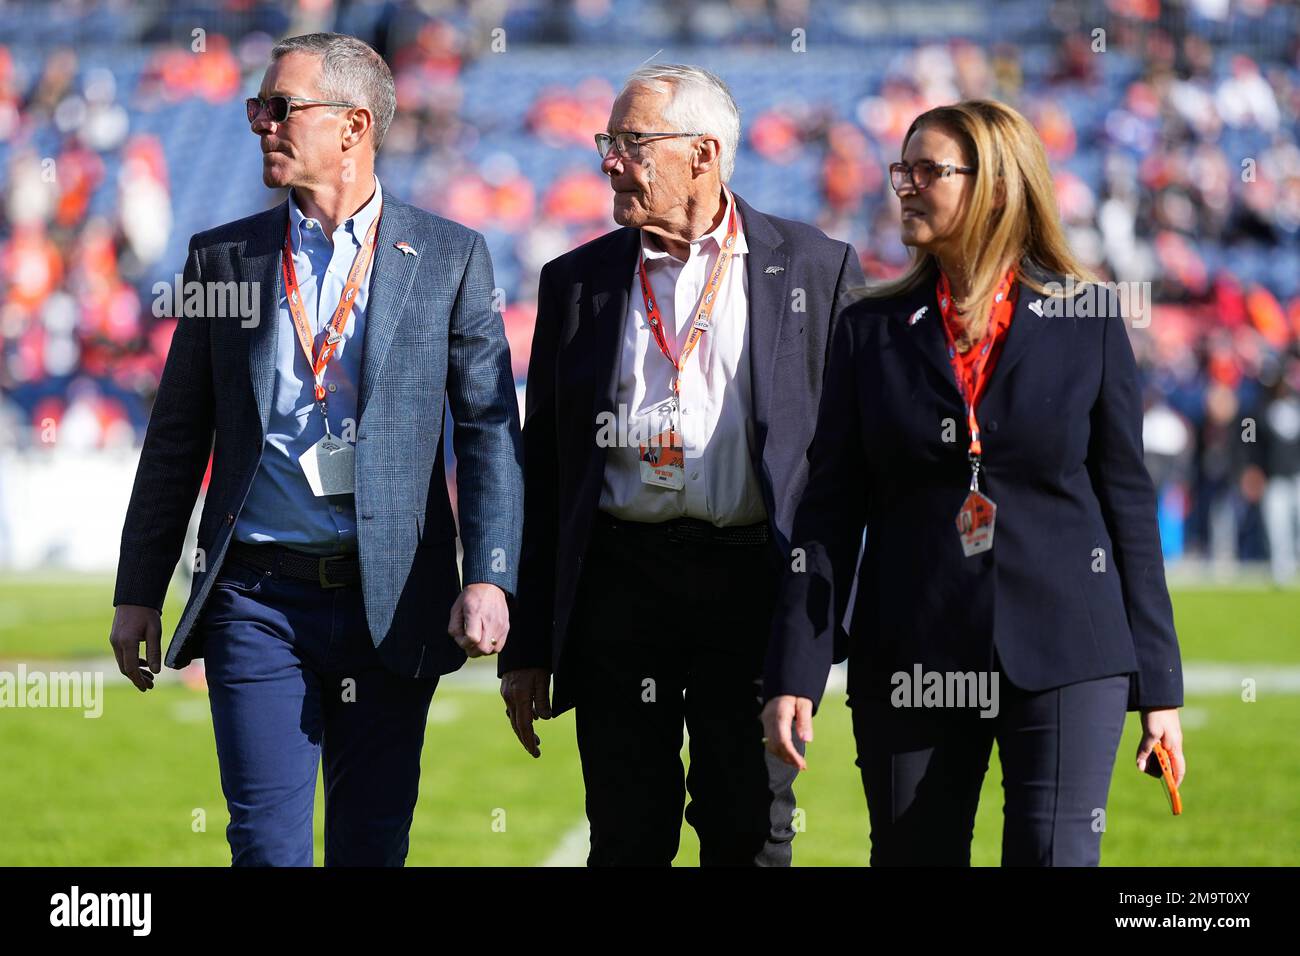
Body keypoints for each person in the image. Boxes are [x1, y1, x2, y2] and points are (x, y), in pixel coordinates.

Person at [108, 33, 523, 866]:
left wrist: (490, 573)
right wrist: (138, 589)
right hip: (256, 599)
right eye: (257, 107)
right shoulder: (224, 256)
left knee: (371, 847)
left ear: (352, 125)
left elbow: (486, 429)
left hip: (392, 598)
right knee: (265, 848)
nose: (262, 123)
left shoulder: (450, 255)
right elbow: (178, 434)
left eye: (280, 107)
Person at [761, 99, 1186, 866]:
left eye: (930, 171)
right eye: (904, 169)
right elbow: (826, 511)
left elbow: (1127, 505)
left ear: (994, 187)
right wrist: (796, 666)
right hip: (910, 648)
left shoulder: (1087, 317)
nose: (907, 186)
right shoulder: (869, 327)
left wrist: (1160, 688)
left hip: (1066, 651)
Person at [499, 64, 865, 866]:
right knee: (627, 836)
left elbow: (847, 465)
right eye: (609, 142)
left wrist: (819, 625)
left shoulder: (816, 267)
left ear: (703, 153)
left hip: (754, 585)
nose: (609, 162)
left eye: (631, 144)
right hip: (621, 587)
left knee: (750, 830)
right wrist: (530, 642)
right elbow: (548, 472)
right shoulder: (577, 280)